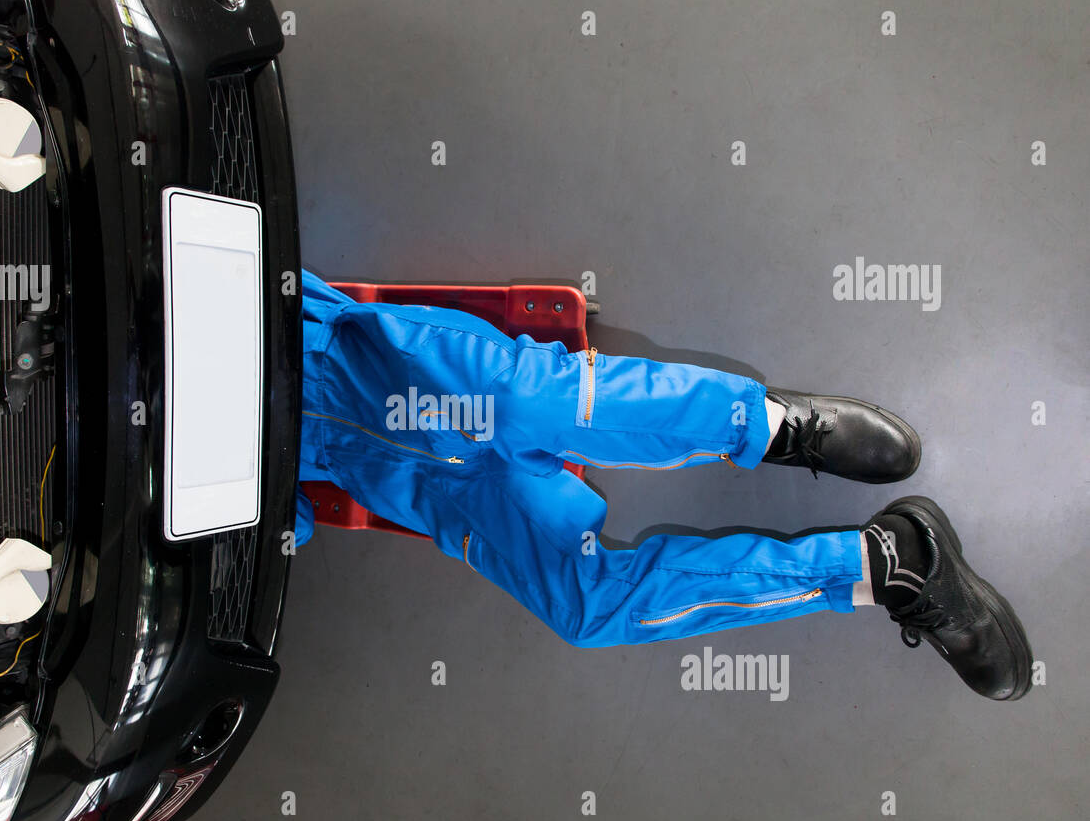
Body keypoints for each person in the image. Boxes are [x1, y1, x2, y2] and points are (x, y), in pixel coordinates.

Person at [293, 270, 1032, 701]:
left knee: (531, 402)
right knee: (582, 612)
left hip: (359, 365)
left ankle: (769, 426)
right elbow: (278, 523)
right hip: (418, 486)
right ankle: (886, 566)